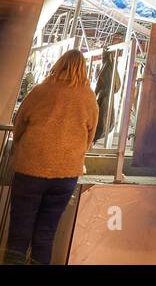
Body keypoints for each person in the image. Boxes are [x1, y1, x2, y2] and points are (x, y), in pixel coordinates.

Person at [6, 50, 99, 264]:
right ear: (83, 69)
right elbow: (90, 135)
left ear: (59, 64)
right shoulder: (88, 97)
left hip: (30, 170)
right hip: (66, 175)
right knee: (45, 236)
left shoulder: (41, 90)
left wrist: (21, 145)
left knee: (19, 235)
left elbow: (19, 124)